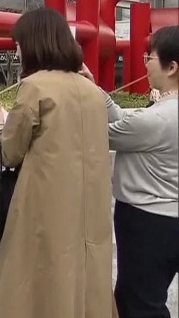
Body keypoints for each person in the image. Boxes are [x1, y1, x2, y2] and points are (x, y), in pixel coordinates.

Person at [0, 8, 117, 318]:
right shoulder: (93, 92)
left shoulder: (35, 87)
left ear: (33, 43)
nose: (16, 50)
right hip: (89, 212)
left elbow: (10, 152)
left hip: (43, 209)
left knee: (36, 288)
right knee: (81, 285)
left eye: (18, 43)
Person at [81, 25, 178, 318]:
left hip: (148, 221)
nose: (144, 63)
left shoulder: (160, 118)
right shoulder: (161, 114)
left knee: (139, 303)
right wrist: (96, 90)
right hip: (167, 218)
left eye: (149, 56)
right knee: (139, 297)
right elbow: (128, 122)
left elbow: (103, 132)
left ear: (172, 66)